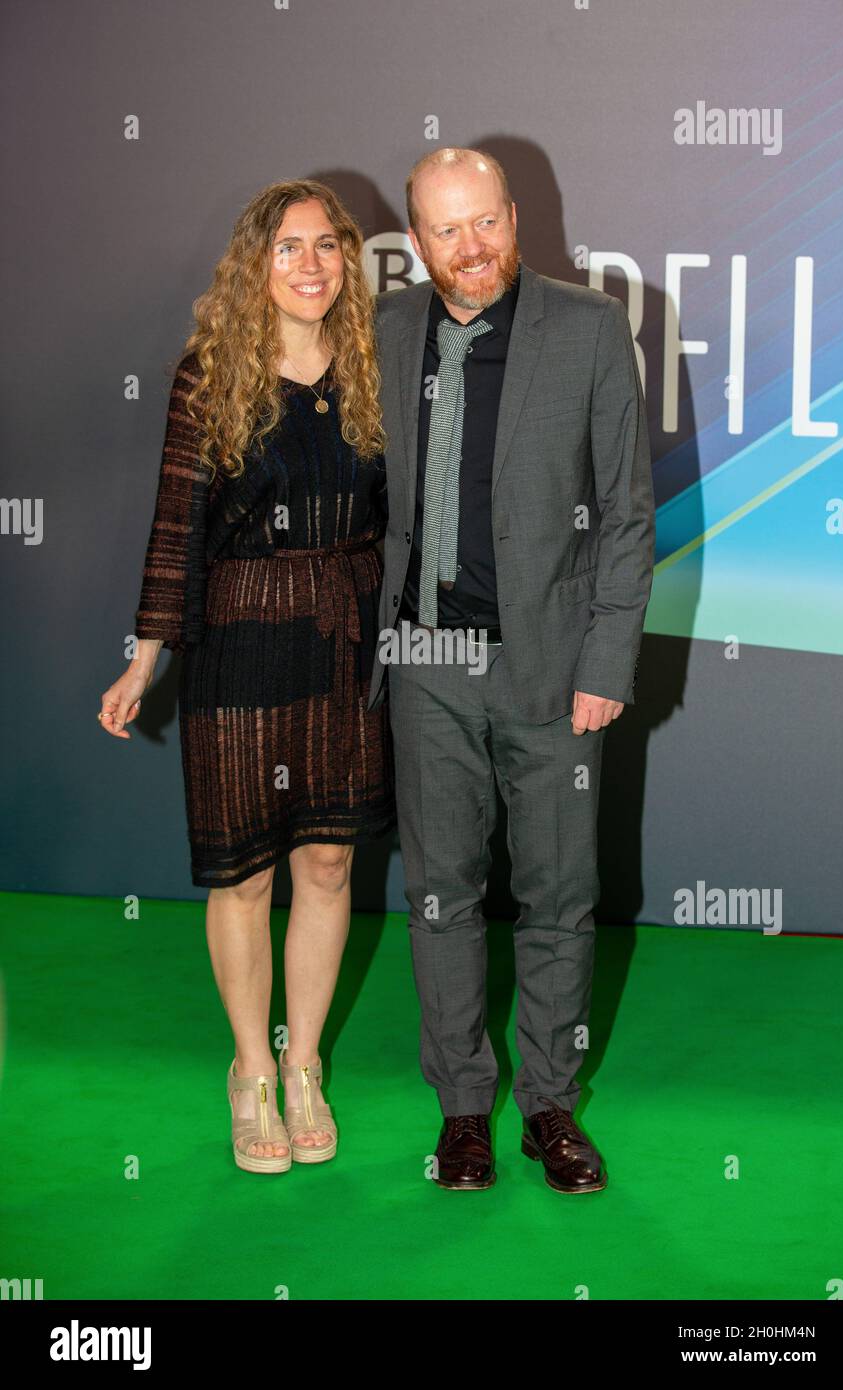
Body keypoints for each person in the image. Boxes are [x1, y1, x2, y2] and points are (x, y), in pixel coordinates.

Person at [370, 148, 655, 1193]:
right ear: (416, 242)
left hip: (547, 664)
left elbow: (625, 512)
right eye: (447, 230)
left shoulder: (583, 328)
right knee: (441, 897)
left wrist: (605, 660)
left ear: (513, 215)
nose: (472, 246)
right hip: (425, 658)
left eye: (484, 221)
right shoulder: (390, 333)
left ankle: (548, 1107)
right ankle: (460, 1113)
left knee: (556, 897)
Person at [99, 180, 396, 1174]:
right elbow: (174, 531)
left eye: (325, 246)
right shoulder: (207, 376)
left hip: (340, 648)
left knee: (326, 863)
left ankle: (303, 1063)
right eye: (286, 248)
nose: (309, 264)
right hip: (236, 647)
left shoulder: (370, 367)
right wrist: (145, 660)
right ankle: (249, 1072)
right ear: (253, 268)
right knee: (245, 871)